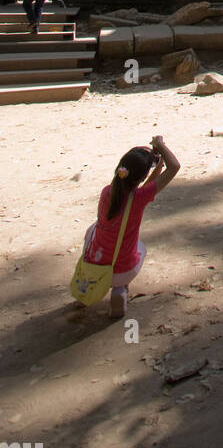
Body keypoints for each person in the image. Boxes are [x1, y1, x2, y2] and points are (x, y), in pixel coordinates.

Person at [81, 136, 180, 318]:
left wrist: (156, 166)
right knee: (140, 247)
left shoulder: (107, 193)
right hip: (123, 271)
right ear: (142, 177)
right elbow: (174, 167)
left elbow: (140, 186)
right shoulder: (139, 199)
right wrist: (160, 146)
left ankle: (86, 285)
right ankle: (120, 289)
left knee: (92, 230)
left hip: (95, 268)